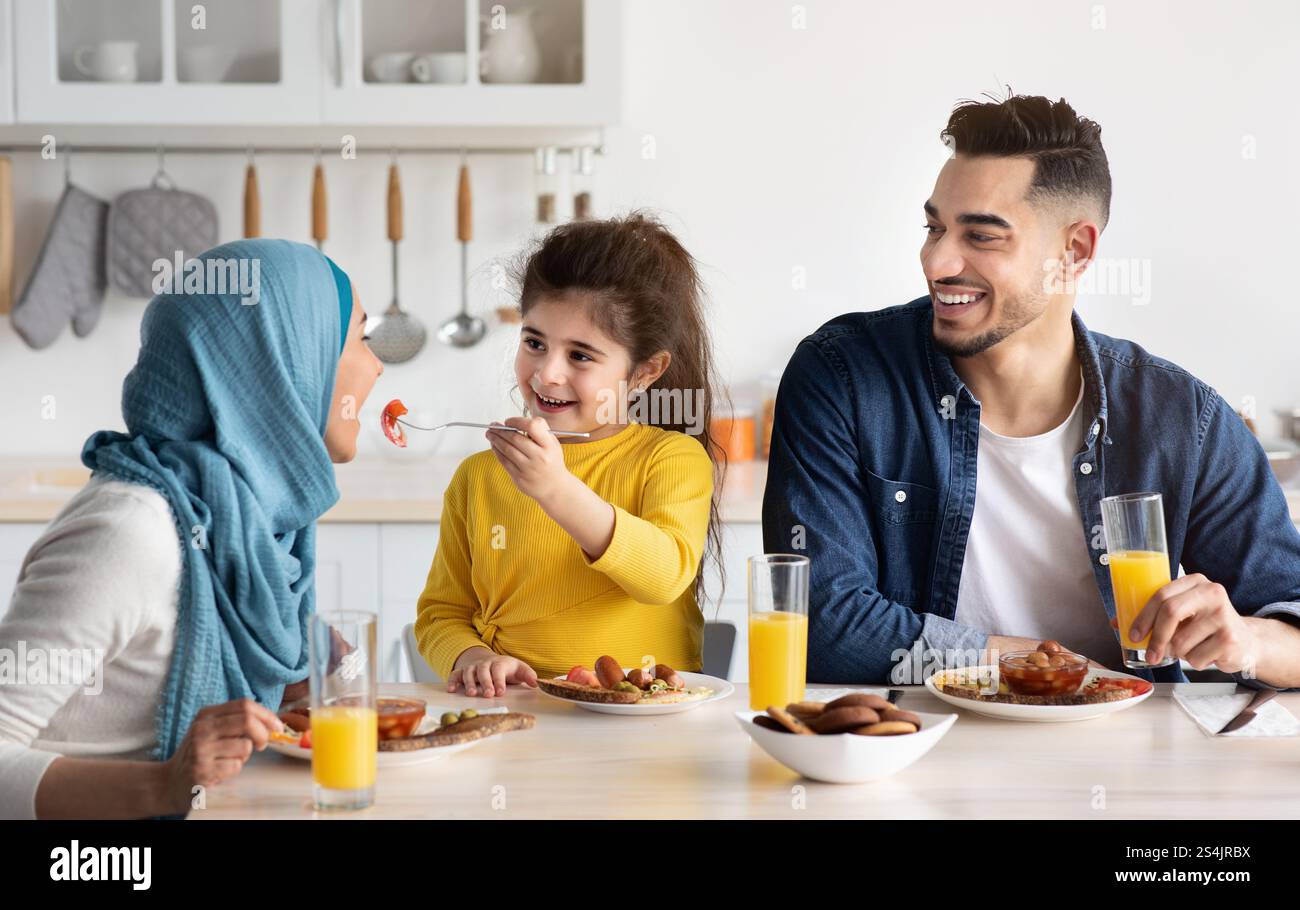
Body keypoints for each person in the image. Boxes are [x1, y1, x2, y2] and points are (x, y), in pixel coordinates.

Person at [763, 94, 1300, 689]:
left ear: (1074, 252)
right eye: (934, 228)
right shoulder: (842, 376)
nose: (937, 261)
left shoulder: (1180, 418)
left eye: (981, 236)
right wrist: (1041, 669)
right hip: (921, 738)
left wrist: (1248, 640)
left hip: (1131, 744)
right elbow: (818, 624)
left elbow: (1291, 619)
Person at [0, 239, 384, 818]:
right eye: (359, 338)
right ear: (283, 357)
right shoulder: (131, 530)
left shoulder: (249, 521)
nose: (376, 366)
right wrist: (163, 785)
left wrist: (292, 685)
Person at [414, 213, 724, 696]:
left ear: (645, 372)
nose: (547, 373)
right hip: (520, 712)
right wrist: (473, 657)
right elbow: (442, 613)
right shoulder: (479, 476)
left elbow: (663, 576)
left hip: (646, 722)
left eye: (580, 355)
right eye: (534, 343)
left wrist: (556, 490)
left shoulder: (671, 458)